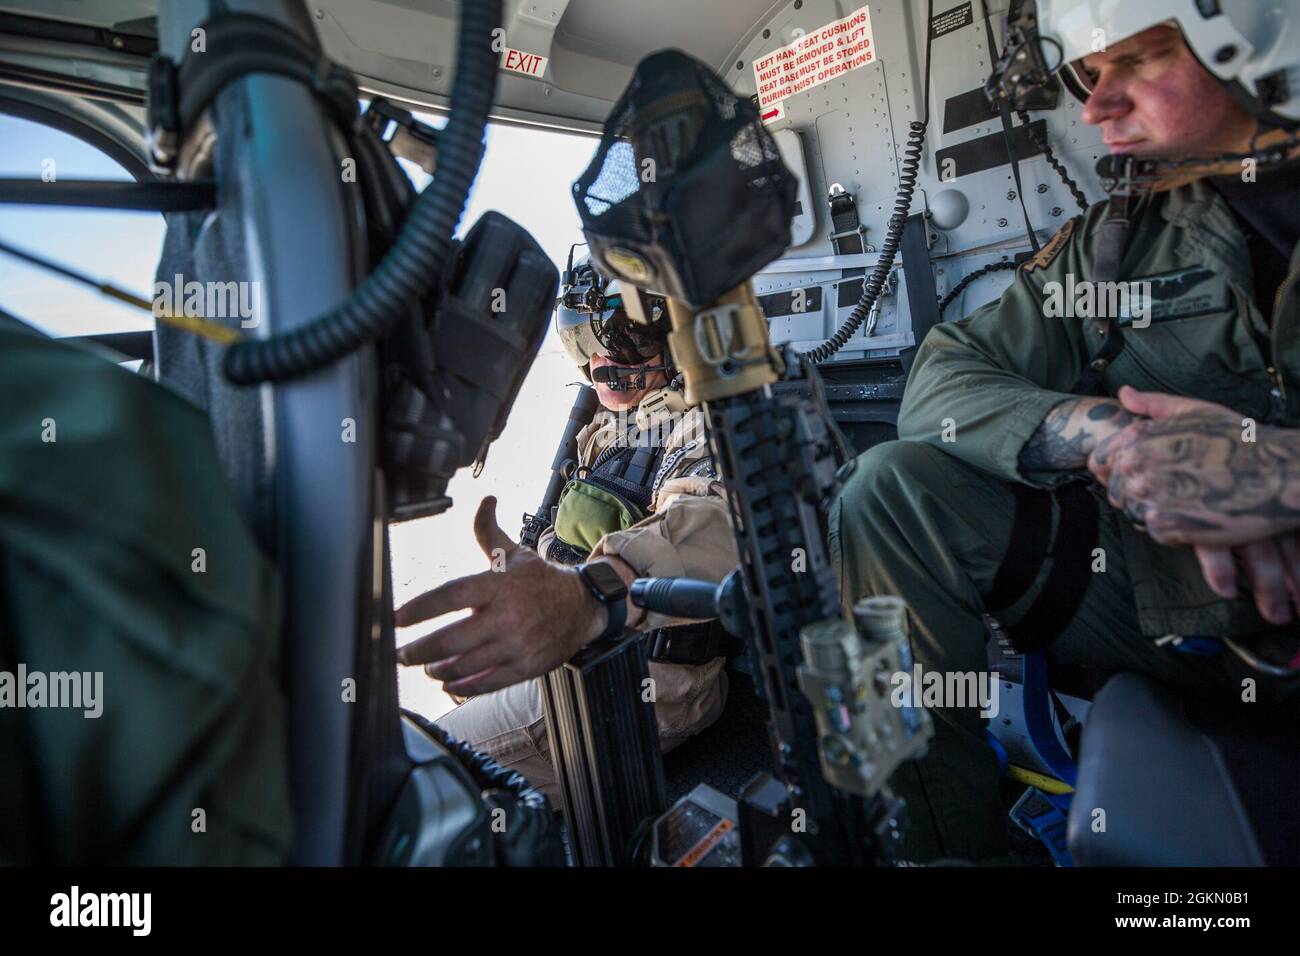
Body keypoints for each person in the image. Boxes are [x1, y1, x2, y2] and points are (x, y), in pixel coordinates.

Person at [830, 0, 1300, 862]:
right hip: (1183, 613)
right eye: (1089, 73)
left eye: (1143, 60)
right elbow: (941, 381)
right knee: (891, 490)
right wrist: (1111, 438)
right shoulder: (1116, 245)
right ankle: (940, 851)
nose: (1094, 107)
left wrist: (1282, 479)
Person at [396, 263, 739, 797]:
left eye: (624, 340)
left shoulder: (699, 419)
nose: (600, 362)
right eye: (580, 340)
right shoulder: (608, 426)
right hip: (578, 645)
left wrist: (593, 592)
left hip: (651, 676)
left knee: (416, 774)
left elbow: (713, 522)